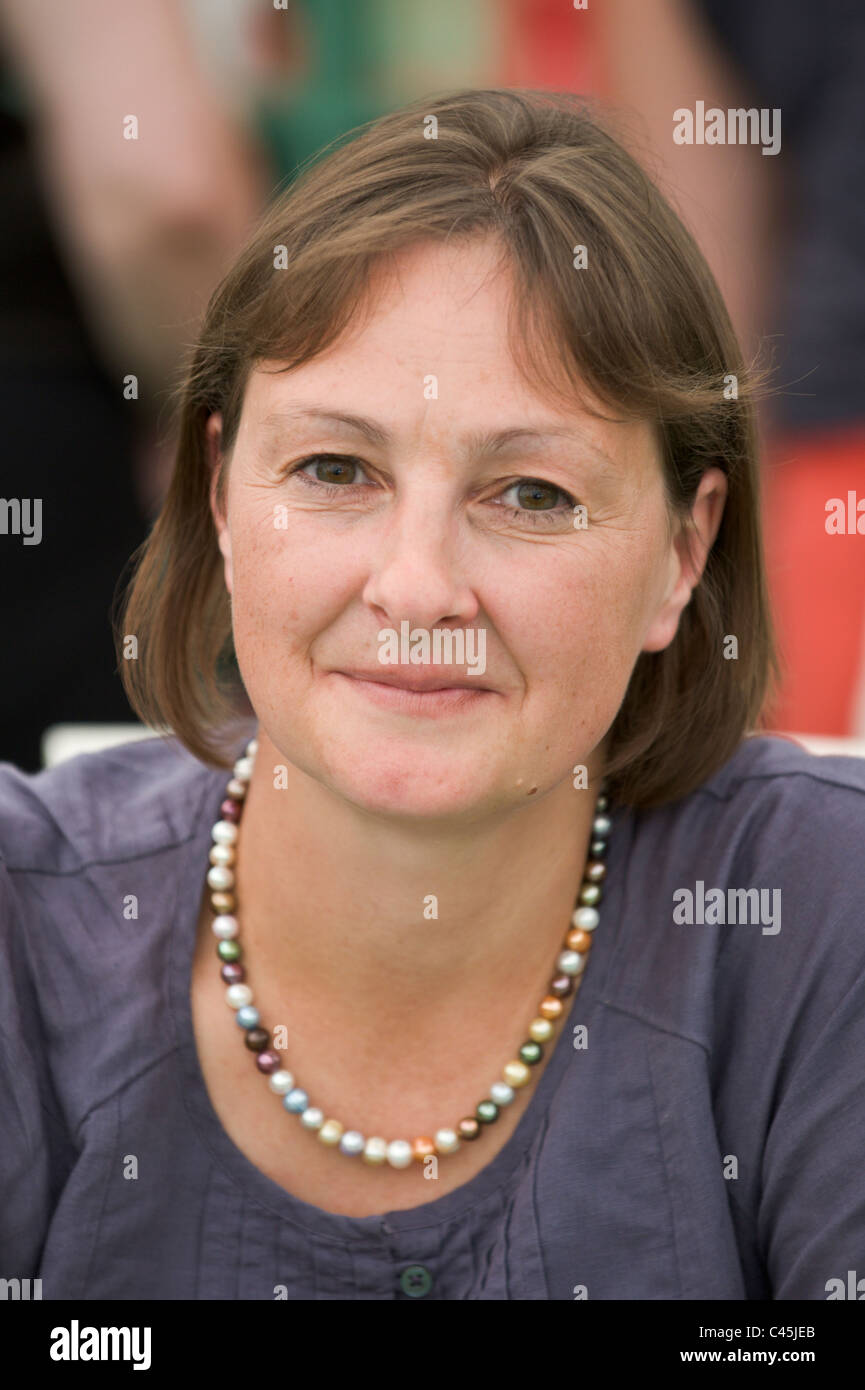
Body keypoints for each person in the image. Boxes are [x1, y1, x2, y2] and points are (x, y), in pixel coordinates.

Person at [2, 88, 864, 1302]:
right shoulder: (19, 922)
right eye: (334, 468)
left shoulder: (825, 913)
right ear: (219, 499)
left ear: (682, 550)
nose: (418, 585)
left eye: (530, 494)